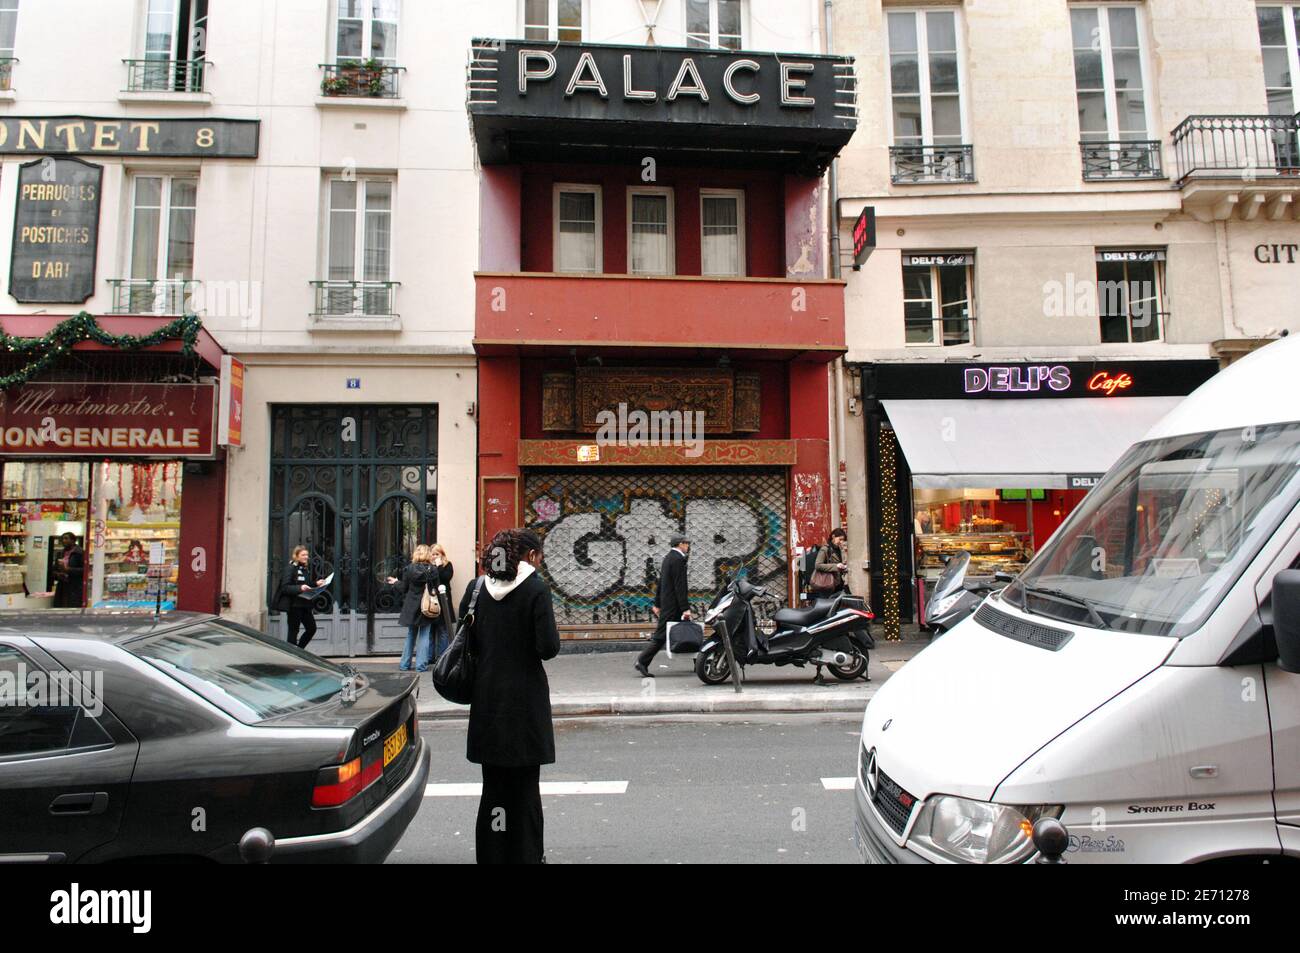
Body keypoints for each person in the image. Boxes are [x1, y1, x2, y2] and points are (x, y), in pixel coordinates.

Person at [458, 528, 560, 864]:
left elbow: (464, 640)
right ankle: (527, 855)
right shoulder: (535, 589)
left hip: (487, 701)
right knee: (525, 788)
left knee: (494, 787)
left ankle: (492, 854)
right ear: (530, 556)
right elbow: (548, 648)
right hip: (525, 703)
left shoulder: (476, 589)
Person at [635, 533, 691, 678]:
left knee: (687, 632)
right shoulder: (678, 559)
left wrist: (657, 603)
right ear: (680, 544)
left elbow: (661, 583)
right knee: (661, 636)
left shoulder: (668, 558)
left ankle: (699, 662)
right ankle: (642, 661)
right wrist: (685, 608)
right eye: (686, 543)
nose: (687, 546)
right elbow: (680, 586)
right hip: (674, 606)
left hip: (668, 604)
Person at [386, 544, 437, 672]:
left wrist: (396, 582)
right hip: (427, 606)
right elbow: (436, 588)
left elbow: (404, 588)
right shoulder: (433, 570)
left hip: (412, 605)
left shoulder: (409, 569)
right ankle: (421, 666)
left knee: (411, 635)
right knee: (425, 635)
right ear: (428, 554)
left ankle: (404, 664)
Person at [274, 545, 327, 650]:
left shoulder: (304, 569)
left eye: (307, 555)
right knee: (294, 631)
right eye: (303, 555)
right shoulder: (290, 568)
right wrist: (300, 588)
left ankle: (299, 651)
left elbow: (306, 584)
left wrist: (316, 583)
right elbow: (285, 587)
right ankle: (292, 654)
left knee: (311, 628)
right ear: (296, 556)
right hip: (294, 605)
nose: (306, 557)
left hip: (305, 605)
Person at [424, 543, 455, 665]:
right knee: (430, 630)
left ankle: (442, 657)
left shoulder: (447, 565)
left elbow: (445, 578)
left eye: (437, 554)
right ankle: (429, 657)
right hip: (431, 601)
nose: (434, 556)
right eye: (433, 554)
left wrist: (439, 566)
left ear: (442, 554)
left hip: (443, 602)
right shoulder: (427, 567)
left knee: (443, 630)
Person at [809, 527, 849, 600]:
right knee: (827, 606)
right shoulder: (825, 549)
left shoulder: (840, 549)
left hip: (838, 583)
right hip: (827, 584)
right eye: (840, 539)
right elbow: (818, 565)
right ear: (833, 537)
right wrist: (836, 566)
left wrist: (843, 567)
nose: (841, 542)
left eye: (843, 540)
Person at [51, 532, 85, 608]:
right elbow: (53, 570)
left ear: (73, 540)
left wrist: (68, 570)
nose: (64, 540)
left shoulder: (79, 553)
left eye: (66, 538)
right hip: (62, 587)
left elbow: (84, 570)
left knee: (73, 609)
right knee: (60, 608)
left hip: (74, 588)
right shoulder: (61, 553)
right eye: (62, 538)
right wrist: (58, 575)